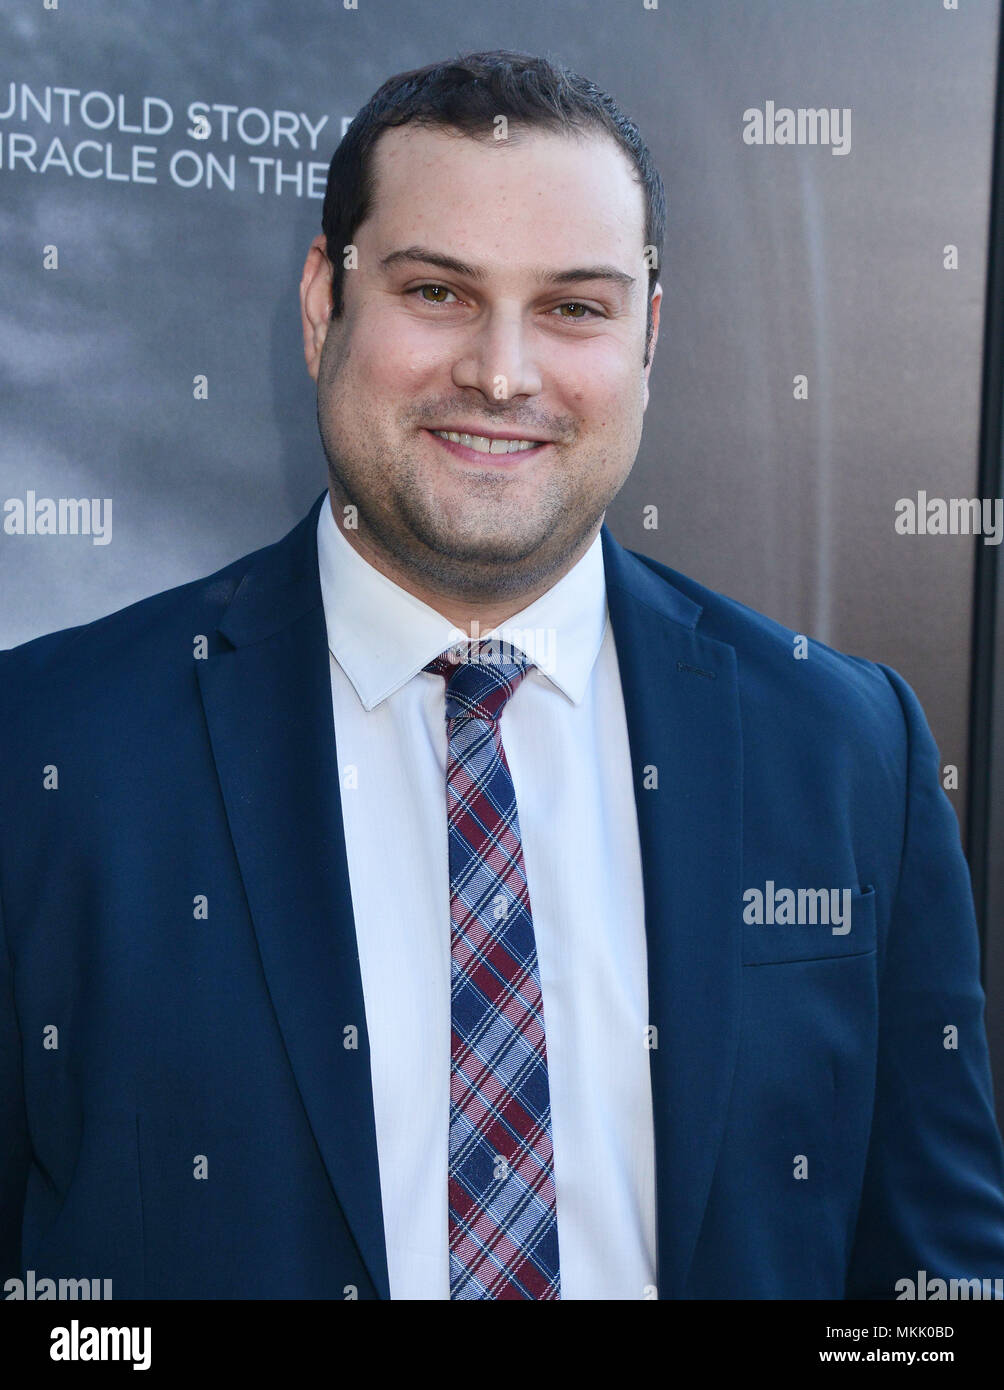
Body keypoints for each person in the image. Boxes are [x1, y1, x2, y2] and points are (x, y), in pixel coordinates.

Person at [2, 49, 1004, 1302]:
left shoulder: (849, 747)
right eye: (437, 291)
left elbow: (932, 1285)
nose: (502, 372)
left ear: (648, 333)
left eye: (574, 307)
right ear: (325, 304)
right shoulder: (45, 749)